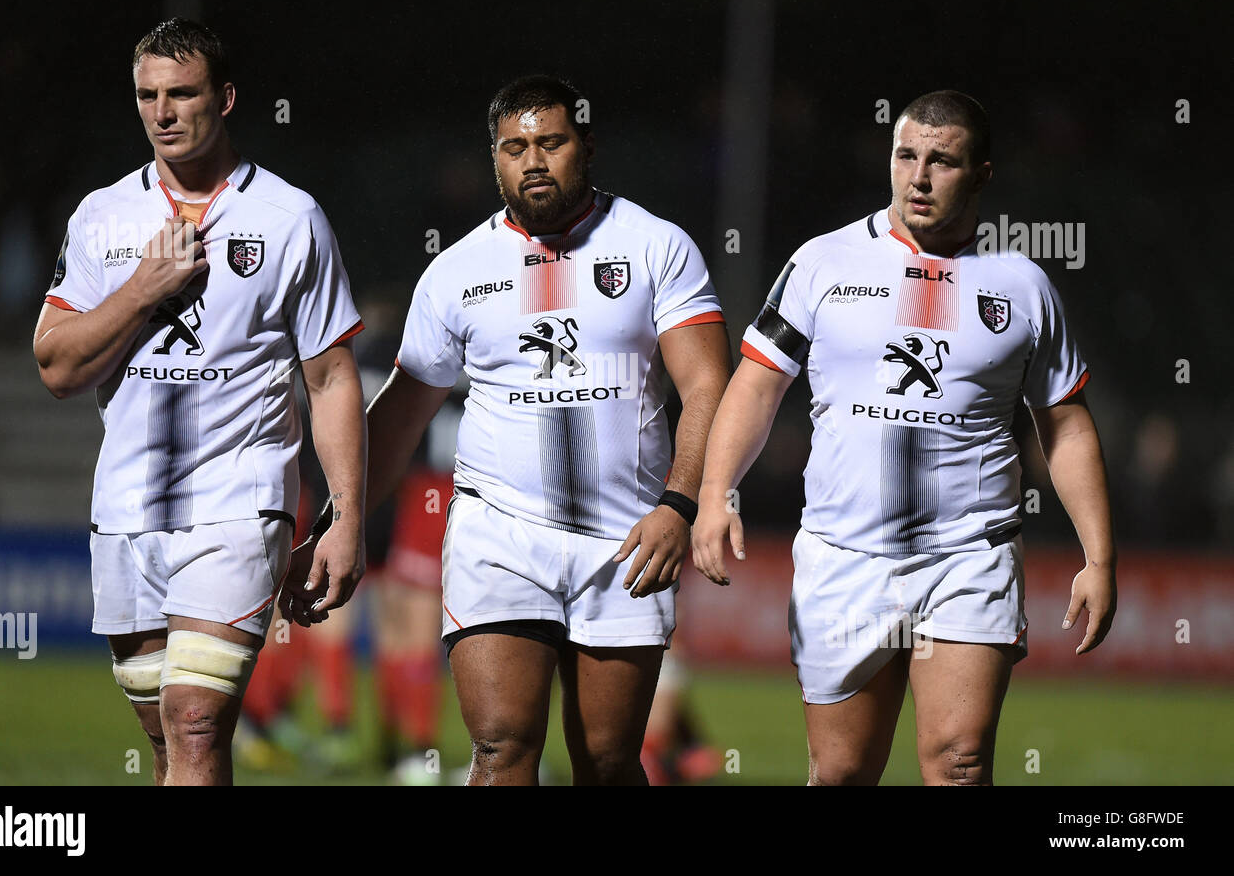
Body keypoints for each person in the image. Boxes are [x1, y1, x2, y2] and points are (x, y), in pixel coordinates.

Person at [287, 75, 732, 785]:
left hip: (625, 542)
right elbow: (401, 415)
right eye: (514, 147)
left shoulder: (657, 246)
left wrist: (681, 504)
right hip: (500, 540)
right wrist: (342, 524)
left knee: (609, 760)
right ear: (493, 157)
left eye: (551, 143)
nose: (533, 160)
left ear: (586, 147)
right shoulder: (457, 271)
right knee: (499, 750)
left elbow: (709, 385)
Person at [692, 90, 1117, 786]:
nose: (918, 177)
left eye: (942, 161)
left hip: (968, 554)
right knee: (842, 770)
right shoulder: (822, 263)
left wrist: (1099, 557)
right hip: (843, 555)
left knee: (959, 763)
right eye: (906, 156)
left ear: (981, 174)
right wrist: (715, 493)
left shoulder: (1023, 286)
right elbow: (756, 385)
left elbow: (1066, 425)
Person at [32, 18, 366, 786]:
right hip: (125, 507)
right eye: (147, 95)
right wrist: (143, 291)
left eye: (182, 94)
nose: (163, 112)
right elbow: (56, 366)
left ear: (226, 98)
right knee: (169, 747)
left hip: (239, 502)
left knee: (194, 720)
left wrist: (343, 515)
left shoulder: (288, 220)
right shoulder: (102, 216)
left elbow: (331, 377)